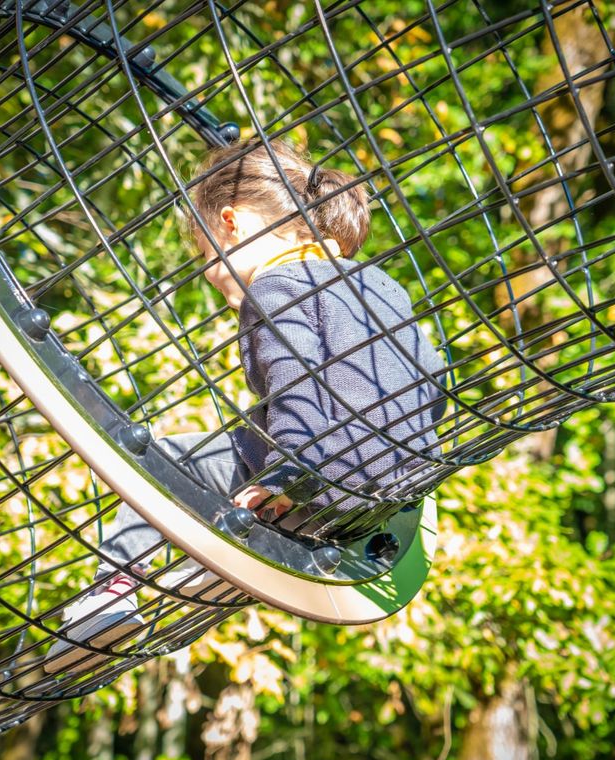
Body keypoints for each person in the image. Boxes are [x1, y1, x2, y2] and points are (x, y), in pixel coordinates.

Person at [45, 139, 444, 673]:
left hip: (313, 478)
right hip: (390, 493)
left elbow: (294, 388)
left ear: (229, 223)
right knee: (247, 460)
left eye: (206, 258)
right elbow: (431, 379)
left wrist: (287, 478)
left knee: (164, 461)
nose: (212, 277)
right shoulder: (380, 284)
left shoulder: (278, 287)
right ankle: (216, 556)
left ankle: (111, 591)